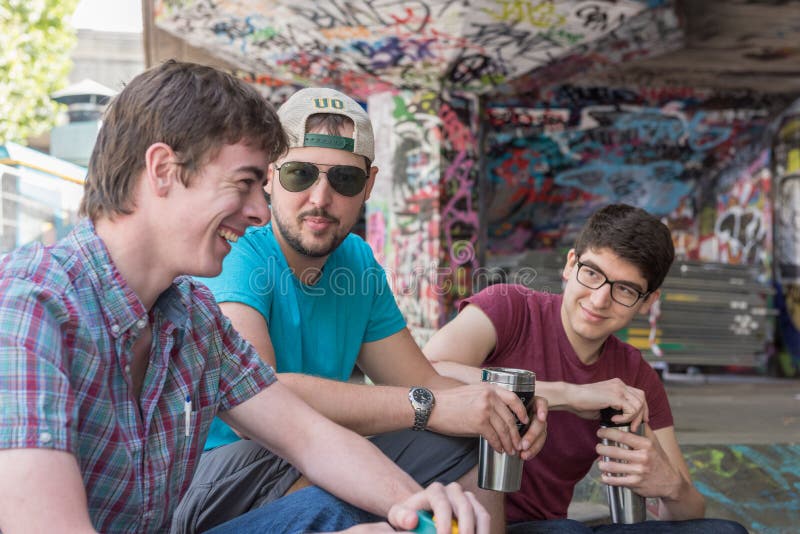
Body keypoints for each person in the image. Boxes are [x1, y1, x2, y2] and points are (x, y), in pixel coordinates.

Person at [0, 60, 490, 534]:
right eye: (245, 183)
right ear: (163, 170)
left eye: (263, 185)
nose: (260, 211)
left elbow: (309, 436)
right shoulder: (31, 306)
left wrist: (410, 505)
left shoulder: (190, 313)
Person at [174, 86, 548, 534]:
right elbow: (263, 395)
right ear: (269, 177)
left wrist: (497, 410)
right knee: (335, 460)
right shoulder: (238, 251)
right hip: (212, 479)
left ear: (368, 185)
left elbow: (422, 380)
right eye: (300, 174)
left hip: (309, 452)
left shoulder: (357, 262)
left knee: (479, 435)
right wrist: (428, 406)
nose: (320, 197)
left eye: (344, 180)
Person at [423, 204, 748, 533]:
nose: (598, 300)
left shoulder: (634, 375)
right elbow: (422, 371)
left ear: (648, 301)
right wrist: (568, 394)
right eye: (591, 273)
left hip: (545, 526)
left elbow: (689, 512)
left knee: (724, 531)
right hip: (458, 516)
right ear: (570, 264)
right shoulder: (510, 308)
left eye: (624, 289)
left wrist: (670, 486)